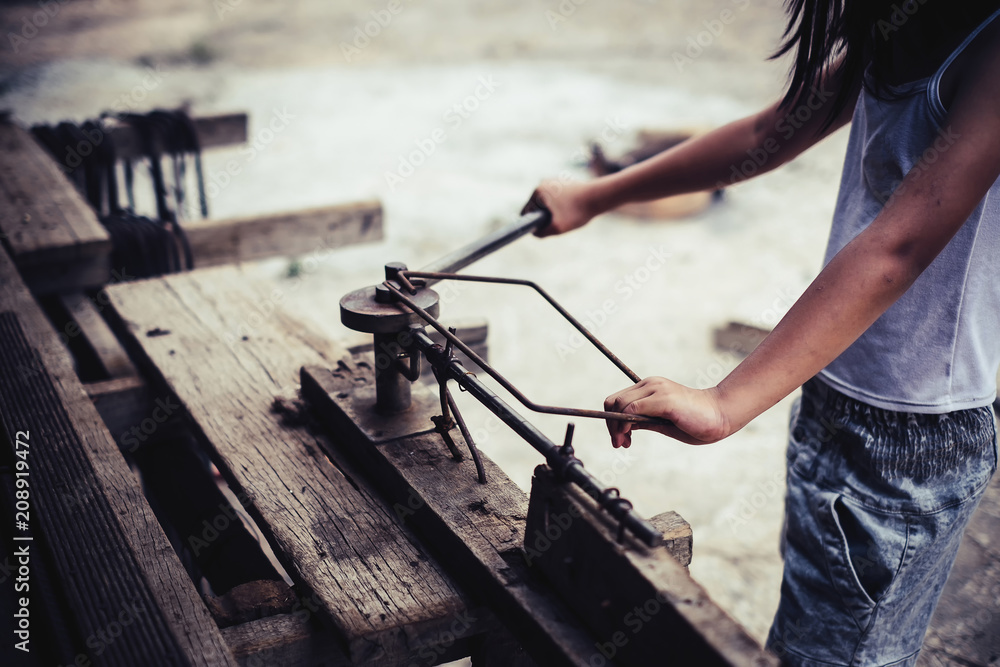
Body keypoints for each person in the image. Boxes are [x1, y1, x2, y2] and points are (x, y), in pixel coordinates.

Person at [523, 1, 1000, 664]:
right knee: (808, 640)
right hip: (829, 391)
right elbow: (765, 134)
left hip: (910, 439)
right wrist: (596, 196)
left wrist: (724, 402)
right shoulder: (898, 27)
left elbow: (900, 245)